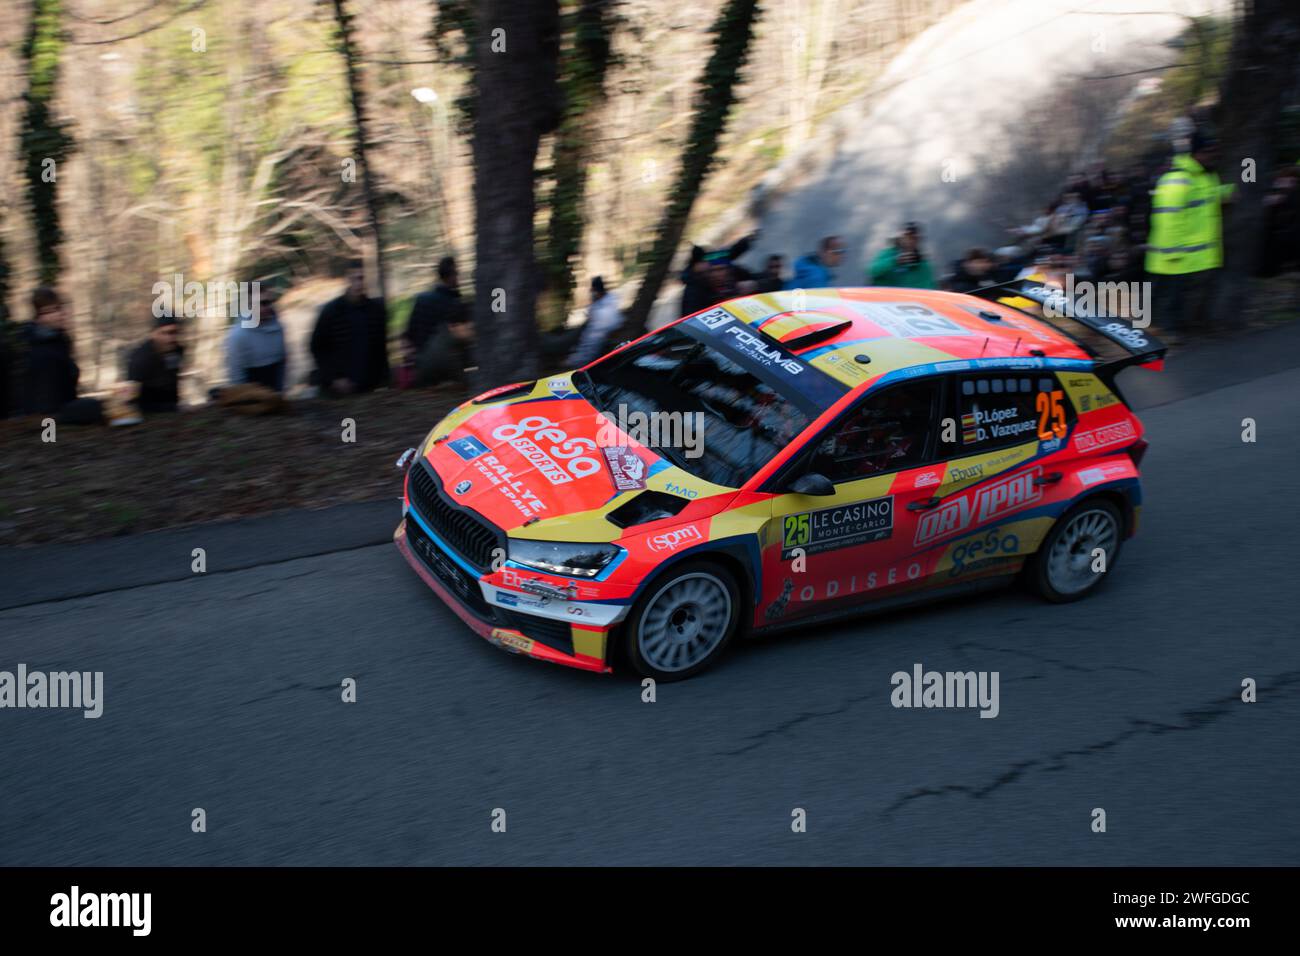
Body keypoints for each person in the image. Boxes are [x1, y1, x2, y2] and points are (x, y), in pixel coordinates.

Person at [1144, 128, 1234, 333]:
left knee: (1178, 303)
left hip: (1189, 258)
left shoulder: (1204, 176)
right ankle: (1166, 336)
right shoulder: (1177, 180)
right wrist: (1173, 254)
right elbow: (1168, 219)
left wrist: (1231, 190)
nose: (1213, 156)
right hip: (1174, 259)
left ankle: (1176, 332)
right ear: (1196, 153)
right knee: (1167, 306)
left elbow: (1208, 196)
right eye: (1209, 152)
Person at [17, 287, 102, 423]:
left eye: (60, 308)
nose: (60, 314)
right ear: (39, 318)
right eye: (52, 310)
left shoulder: (60, 341)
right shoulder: (38, 349)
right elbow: (46, 408)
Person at [310, 259, 390, 395]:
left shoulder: (376, 310)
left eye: (362, 278)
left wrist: (385, 379)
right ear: (347, 279)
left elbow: (380, 348)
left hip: (369, 386)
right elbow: (317, 347)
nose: (359, 283)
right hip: (339, 388)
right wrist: (334, 378)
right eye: (354, 278)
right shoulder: (331, 311)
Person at [226, 283, 287, 392]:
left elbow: (283, 363)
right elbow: (236, 376)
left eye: (268, 303)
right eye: (259, 304)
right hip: (251, 395)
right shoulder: (238, 336)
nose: (265, 307)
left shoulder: (278, 328)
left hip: (276, 393)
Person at [405, 256, 466, 359]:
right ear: (452, 276)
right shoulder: (453, 303)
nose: (459, 277)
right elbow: (462, 337)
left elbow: (410, 333)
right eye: (457, 273)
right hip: (446, 361)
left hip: (422, 361)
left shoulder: (421, 299)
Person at [127, 315, 184, 414]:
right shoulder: (141, 358)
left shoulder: (176, 350)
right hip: (147, 411)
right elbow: (132, 401)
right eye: (164, 333)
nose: (170, 338)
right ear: (154, 334)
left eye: (174, 332)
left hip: (172, 408)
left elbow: (173, 383)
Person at [566, 276, 624, 368]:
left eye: (592, 290)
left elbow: (591, 344)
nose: (591, 293)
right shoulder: (603, 303)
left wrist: (573, 361)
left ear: (597, 291)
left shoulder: (603, 311)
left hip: (595, 344)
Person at [868, 223, 935, 288]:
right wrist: (895, 261)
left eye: (914, 238)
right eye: (907, 237)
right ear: (901, 238)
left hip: (908, 295)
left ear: (918, 241)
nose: (910, 241)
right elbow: (872, 271)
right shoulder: (889, 253)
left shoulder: (923, 266)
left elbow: (929, 289)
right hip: (882, 294)